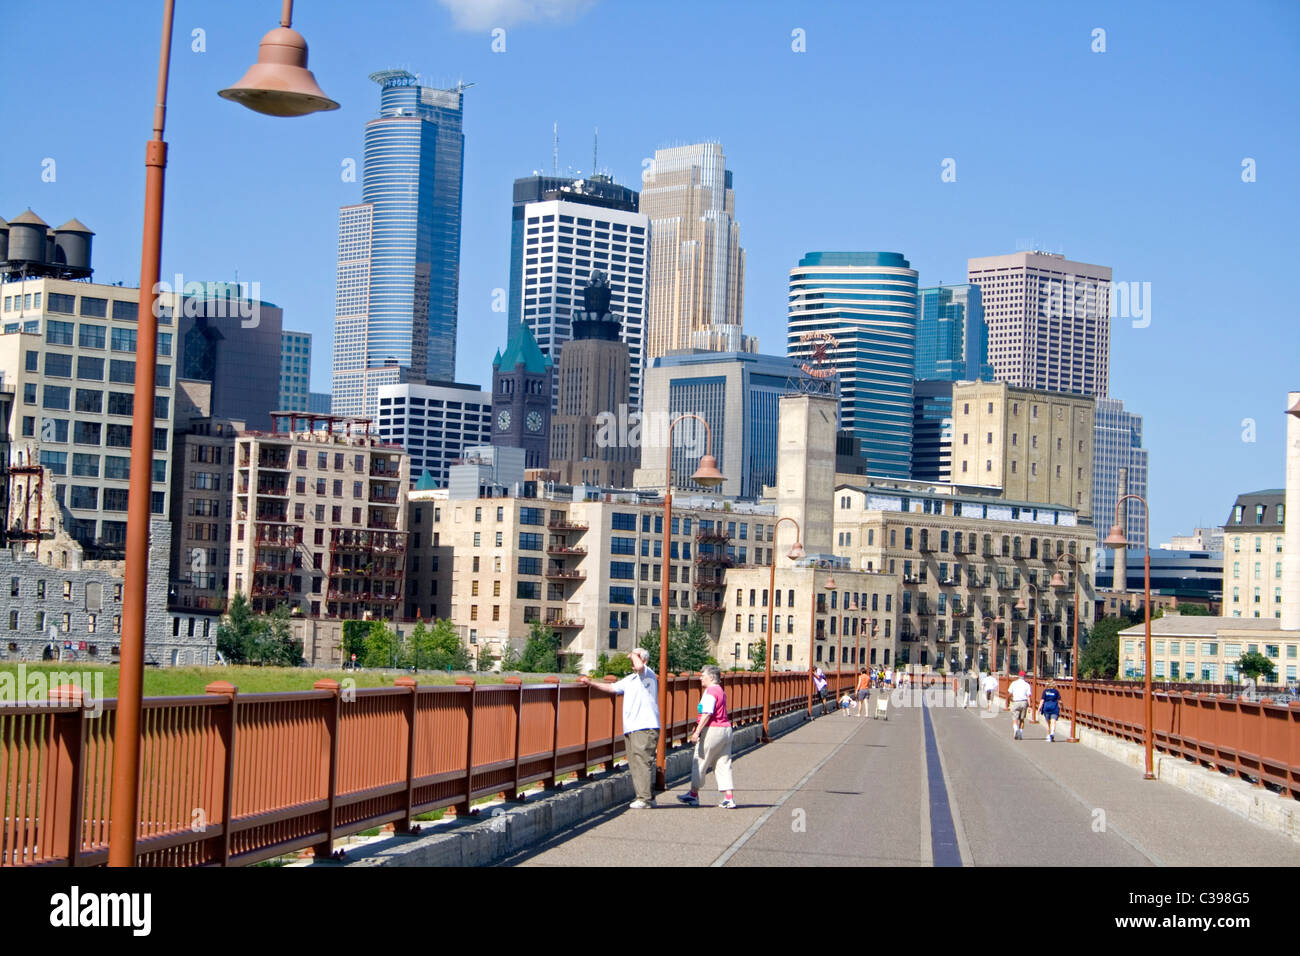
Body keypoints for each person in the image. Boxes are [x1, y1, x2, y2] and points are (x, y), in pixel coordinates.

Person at [580, 647, 660, 808]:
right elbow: (612, 688)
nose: (631, 662)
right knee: (635, 763)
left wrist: (635, 654)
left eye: (634, 658)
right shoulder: (631, 679)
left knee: (642, 761)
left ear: (642, 659)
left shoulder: (648, 674)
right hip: (632, 727)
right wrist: (590, 683)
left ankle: (645, 799)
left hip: (645, 726)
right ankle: (645, 796)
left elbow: (640, 667)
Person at [678, 665, 736, 808]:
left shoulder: (710, 691)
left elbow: (707, 713)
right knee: (724, 763)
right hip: (726, 729)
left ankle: (693, 794)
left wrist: (697, 731)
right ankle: (729, 797)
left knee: (700, 761)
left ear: (711, 677)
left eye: (702, 675)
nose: (700, 678)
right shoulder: (721, 691)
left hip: (713, 730)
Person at [1008, 670, 1032, 740]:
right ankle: (1020, 734)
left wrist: (1010, 700)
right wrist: (1029, 706)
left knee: (1015, 718)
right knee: (1022, 719)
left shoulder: (1014, 683)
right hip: (1024, 702)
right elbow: (1028, 696)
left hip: (1016, 701)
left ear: (1019, 676)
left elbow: (1009, 693)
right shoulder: (1027, 685)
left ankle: (1015, 729)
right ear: (1024, 676)